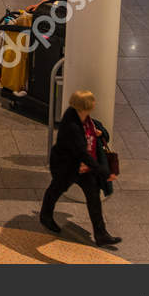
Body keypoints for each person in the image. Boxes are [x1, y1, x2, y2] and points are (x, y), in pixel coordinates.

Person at [39, 89, 119, 246]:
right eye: (91, 102)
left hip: (84, 168)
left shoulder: (86, 119)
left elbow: (96, 137)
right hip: (66, 166)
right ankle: (45, 216)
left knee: (93, 197)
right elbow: (82, 152)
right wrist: (103, 171)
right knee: (56, 189)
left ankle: (101, 234)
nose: (94, 104)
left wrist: (99, 133)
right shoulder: (71, 125)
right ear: (84, 106)